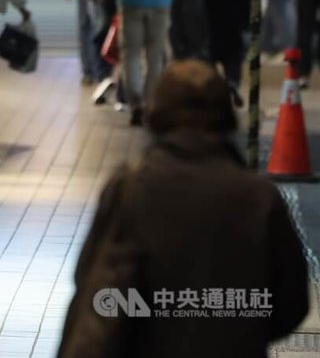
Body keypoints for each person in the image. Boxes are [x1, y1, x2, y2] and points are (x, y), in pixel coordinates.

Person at [57, 60, 309, 358]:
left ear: (157, 114)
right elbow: (291, 305)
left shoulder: (131, 190)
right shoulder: (259, 198)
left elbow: (92, 286)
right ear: (227, 116)